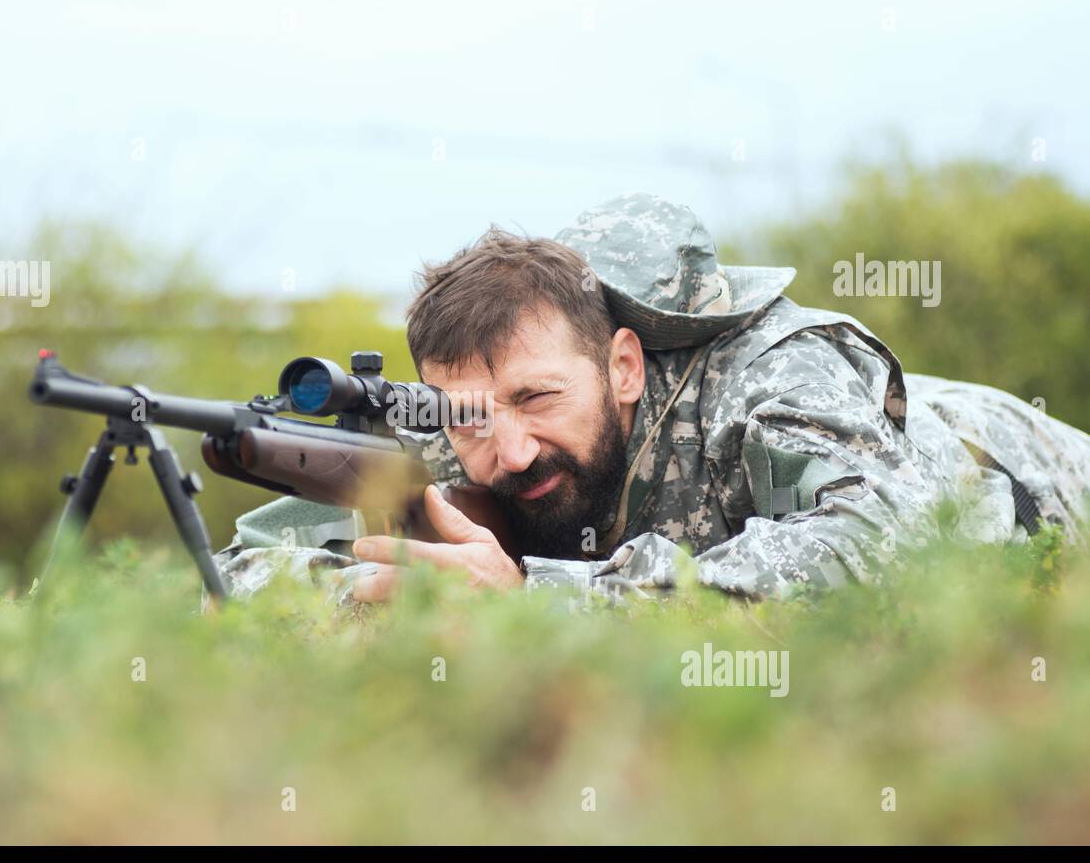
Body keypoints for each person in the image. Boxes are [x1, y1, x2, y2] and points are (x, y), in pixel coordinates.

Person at [211, 192, 1090, 606]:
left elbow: (868, 559)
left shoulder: (772, 370)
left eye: (539, 398)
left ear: (624, 366)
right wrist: (377, 601)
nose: (510, 451)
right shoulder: (469, 421)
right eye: (471, 415)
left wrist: (532, 601)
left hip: (1043, 490)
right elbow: (235, 576)